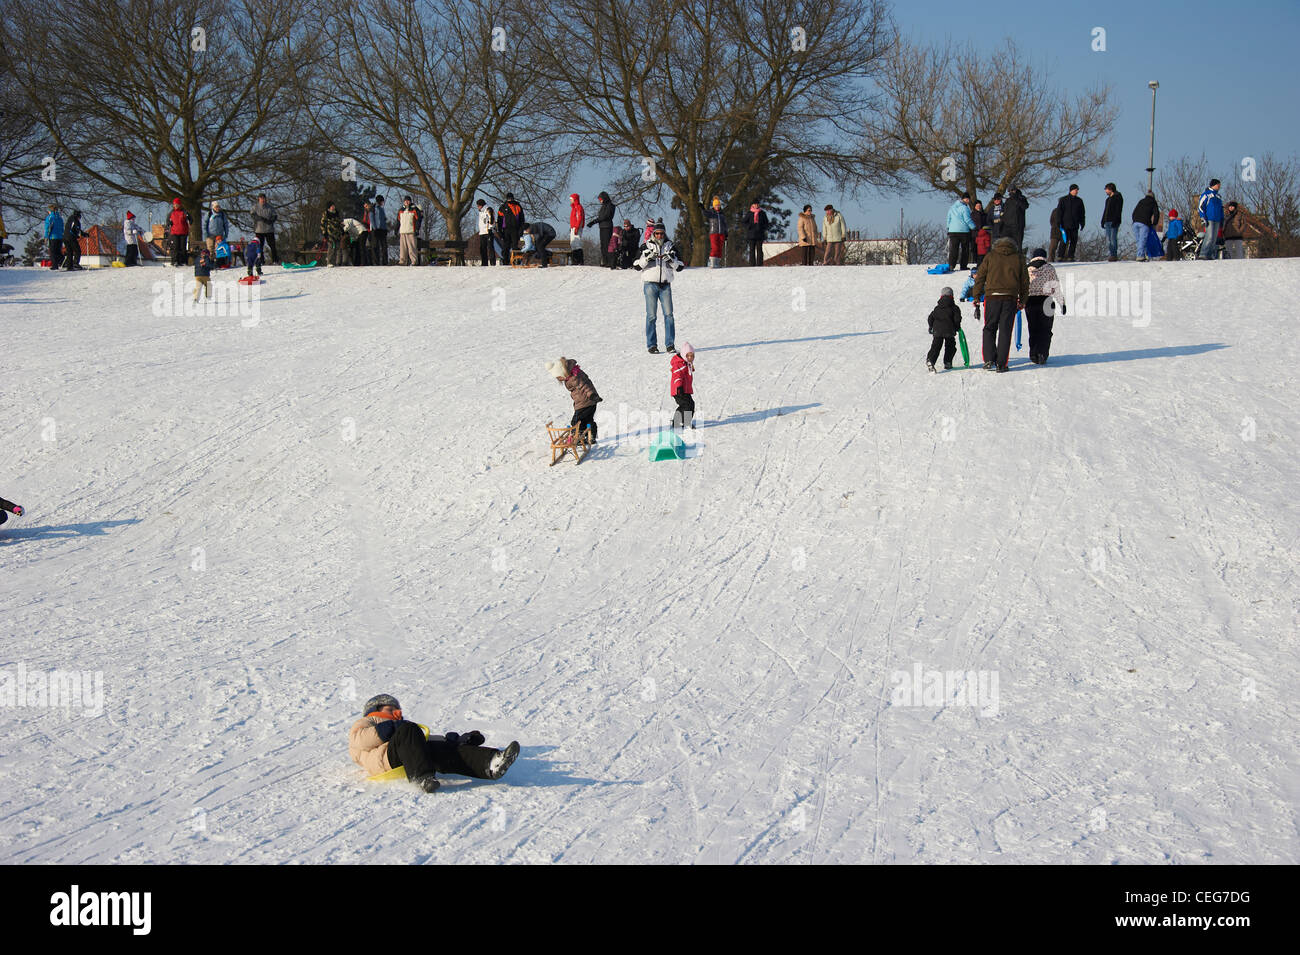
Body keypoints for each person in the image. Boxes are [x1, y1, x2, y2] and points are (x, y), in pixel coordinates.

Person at [349, 694, 519, 793]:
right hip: (384, 760)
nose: (397, 713)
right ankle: (422, 778)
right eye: (391, 709)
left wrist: (456, 742)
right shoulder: (367, 722)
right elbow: (360, 741)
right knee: (409, 729)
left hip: (409, 757)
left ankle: (490, 763)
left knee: (439, 750)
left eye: (398, 710)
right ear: (374, 710)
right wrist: (389, 727)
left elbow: (420, 743)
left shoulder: (403, 730)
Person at [972, 236, 1028, 372]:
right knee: (1005, 330)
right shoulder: (1018, 258)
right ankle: (1001, 364)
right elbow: (1024, 282)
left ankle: (989, 359)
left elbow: (980, 277)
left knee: (989, 328)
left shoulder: (990, 256)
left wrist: (976, 296)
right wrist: (1023, 300)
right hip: (1010, 298)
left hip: (992, 298)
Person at [633, 220, 684, 353]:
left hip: (665, 285)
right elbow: (636, 265)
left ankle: (670, 345)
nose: (659, 236)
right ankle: (652, 345)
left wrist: (672, 261)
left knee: (669, 315)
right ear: (653, 234)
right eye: (657, 233)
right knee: (651, 316)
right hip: (650, 284)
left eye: (661, 233)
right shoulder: (645, 246)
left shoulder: (670, 246)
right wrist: (647, 259)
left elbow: (681, 266)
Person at [546, 357, 602, 443]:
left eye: (559, 377)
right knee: (588, 419)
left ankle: (578, 438)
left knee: (576, 422)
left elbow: (584, 386)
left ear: (563, 372)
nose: (559, 379)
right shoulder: (573, 374)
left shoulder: (574, 377)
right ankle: (591, 436)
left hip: (584, 402)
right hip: (589, 402)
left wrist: (592, 395)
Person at [1025, 248, 1065, 365]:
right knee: (1046, 330)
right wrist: (1062, 302)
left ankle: (1033, 354)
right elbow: (1056, 287)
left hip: (1030, 302)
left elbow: (1022, 286)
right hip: (1046, 301)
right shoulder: (1049, 268)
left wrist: (1019, 300)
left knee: (1033, 329)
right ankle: (1043, 353)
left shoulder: (1027, 269)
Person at [925, 287, 962, 372]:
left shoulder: (937, 308)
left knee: (936, 346)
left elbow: (930, 318)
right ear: (952, 296)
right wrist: (957, 327)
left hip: (937, 331)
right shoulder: (955, 308)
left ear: (941, 296)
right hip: (949, 330)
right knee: (950, 346)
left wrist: (931, 327)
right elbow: (957, 319)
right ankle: (948, 362)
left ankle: (930, 360)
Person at [945, 193, 976, 271]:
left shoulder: (952, 207)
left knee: (953, 249)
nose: (968, 201)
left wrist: (948, 227)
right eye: (967, 199)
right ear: (964, 199)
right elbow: (967, 220)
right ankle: (963, 265)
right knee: (965, 249)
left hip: (952, 231)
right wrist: (974, 227)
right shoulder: (965, 208)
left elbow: (948, 219)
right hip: (963, 231)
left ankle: (951, 265)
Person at [669, 342, 696, 429]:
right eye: (688, 355)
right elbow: (677, 376)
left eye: (692, 356)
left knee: (691, 404)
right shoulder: (678, 364)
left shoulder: (686, 363)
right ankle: (676, 422)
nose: (690, 358)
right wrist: (679, 386)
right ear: (684, 355)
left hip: (685, 390)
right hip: (678, 390)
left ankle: (686, 422)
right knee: (685, 405)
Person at [1055, 185, 1085, 261]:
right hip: (1065, 224)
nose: (1077, 191)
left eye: (1077, 190)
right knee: (1064, 240)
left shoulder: (1079, 201)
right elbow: (1059, 212)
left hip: (1075, 224)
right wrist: (1058, 221)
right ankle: (1060, 256)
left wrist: (1082, 222)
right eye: (1075, 190)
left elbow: (1082, 213)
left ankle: (1070, 256)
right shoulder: (1063, 200)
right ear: (1071, 190)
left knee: (1074, 241)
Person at [586, 191, 616, 267]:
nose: (600, 201)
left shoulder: (610, 205)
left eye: (601, 199)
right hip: (602, 227)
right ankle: (605, 261)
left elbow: (605, 216)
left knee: (606, 244)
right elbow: (601, 216)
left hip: (607, 227)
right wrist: (595, 221)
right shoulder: (603, 206)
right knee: (603, 245)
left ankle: (609, 261)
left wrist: (594, 221)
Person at [1197, 179, 1223, 260]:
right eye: (1218, 185)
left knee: (1214, 238)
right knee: (1210, 236)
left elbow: (1221, 209)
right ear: (1213, 185)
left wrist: (1222, 219)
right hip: (1209, 219)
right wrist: (1203, 217)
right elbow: (1201, 206)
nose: (1219, 186)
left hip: (1217, 219)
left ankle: (1210, 254)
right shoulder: (1206, 194)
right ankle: (1203, 253)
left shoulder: (1218, 196)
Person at [250, 194, 279, 265]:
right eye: (261, 198)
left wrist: (271, 221)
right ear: (259, 199)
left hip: (269, 230)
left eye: (264, 198)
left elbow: (275, 216)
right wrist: (260, 218)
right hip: (259, 230)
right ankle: (261, 261)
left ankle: (275, 260)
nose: (263, 200)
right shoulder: (255, 207)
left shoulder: (270, 207)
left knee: (272, 246)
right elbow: (252, 215)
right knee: (259, 246)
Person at [1131, 190, 1160, 262]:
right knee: (1142, 240)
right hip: (1144, 223)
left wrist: (1134, 219)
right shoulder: (1153, 202)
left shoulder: (1141, 201)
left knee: (1139, 241)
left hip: (1135, 223)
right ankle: (1140, 256)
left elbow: (1134, 212)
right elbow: (1156, 214)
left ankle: (1143, 254)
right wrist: (1154, 224)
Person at [1101, 183, 1124, 261]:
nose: (1105, 191)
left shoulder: (1118, 197)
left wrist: (1116, 219)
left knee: (1113, 238)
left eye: (1106, 189)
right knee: (1108, 239)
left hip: (1114, 221)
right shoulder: (1107, 199)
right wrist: (1103, 220)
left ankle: (1114, 255)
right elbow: (1105, 210)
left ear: (1110, 189)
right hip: (1107, 221)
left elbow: (1118, 210)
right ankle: (1111, 253)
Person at [704, 197, 728, 267]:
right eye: (716, 205)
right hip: (713, 233)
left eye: (718, 205)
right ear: (713, 206)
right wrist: (702, 208)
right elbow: (706, 214)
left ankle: (717, 262)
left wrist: (726, 233)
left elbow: (725, 224)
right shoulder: (712, 213)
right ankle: (713, 262)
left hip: (721, 233)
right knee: (715, 247)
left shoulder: (722, 214)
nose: (717, 207)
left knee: (720, 248)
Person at [169, 198, 191, 267]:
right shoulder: (171, 213)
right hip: (174, 232)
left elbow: (191, 220)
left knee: (182, 247)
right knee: (175, 247)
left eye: (176, 204)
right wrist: (169, 223)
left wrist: (188, 222)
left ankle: (183, 261)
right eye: (174, 204)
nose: (175, 206)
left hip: (183, 232)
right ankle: (175, 261)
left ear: (179, 205)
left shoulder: (184, 212)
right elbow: (168, 221)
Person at [745, 202, 768, 266]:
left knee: (759, 249)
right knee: (751, 250)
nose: (756, 205)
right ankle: (752, 264)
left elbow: (766, 223)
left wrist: (762, 227)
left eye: (757, 204)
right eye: (755, 204)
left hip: (760, 234)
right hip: (751, 235)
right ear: (752, 205)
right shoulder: (749, 213)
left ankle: (760, 264)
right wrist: (749, 226)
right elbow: (744, 222)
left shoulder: (762, 213)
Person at [396, 198, 418, 266]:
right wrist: (396, 229)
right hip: (402, 231)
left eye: (408, 201)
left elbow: (418, 219)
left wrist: (417, 229)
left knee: (412, 248)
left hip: (411, 231)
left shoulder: (414, 209)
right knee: (403, 248)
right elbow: (398, 221)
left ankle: (414, 261)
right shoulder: (401, 210)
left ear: (410, 201)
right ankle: (402, 261)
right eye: (405, 201)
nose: (406, 202)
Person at [475, 198, 496, 266]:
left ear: (481, 205)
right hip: (482, 232)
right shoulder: (481, 212)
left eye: (478, 206)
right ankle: (484, 263)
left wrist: (490, 228)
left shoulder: (488, 209)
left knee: (490, 248)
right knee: (482, 248)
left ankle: (492, 263)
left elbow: (492, 219)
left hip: (488, 232)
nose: (477, 207)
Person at [43, 204, 64, 270]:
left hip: (53, 237)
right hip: (60, 237)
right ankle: (62, 261)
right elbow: (62, 228)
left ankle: (55, 265)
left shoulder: (50, 217)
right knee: (58, 251)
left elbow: (47, 228)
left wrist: (46, 237)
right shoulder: (60, 218)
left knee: (53, 252)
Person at [568, 193, 585, 266]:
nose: (570, 201)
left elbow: (579, 218)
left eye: (571, 199)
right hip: (573, 227)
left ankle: (579, 260)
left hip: (576, 227)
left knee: (577, 243)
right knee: (573, 243)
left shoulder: (578, 207)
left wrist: (577, 227)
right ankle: (575, 260)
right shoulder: (574, 208)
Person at [371, 196, 388, 265]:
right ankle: (376, 262)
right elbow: (372, 219)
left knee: (384, 246)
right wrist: (375, 228)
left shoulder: (382, 209)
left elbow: (383, 219)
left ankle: (385, 262)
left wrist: (385, 228)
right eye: (382, 201)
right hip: (376, 230)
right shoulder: (373, 208)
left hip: (383, 230)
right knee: (375, 246)